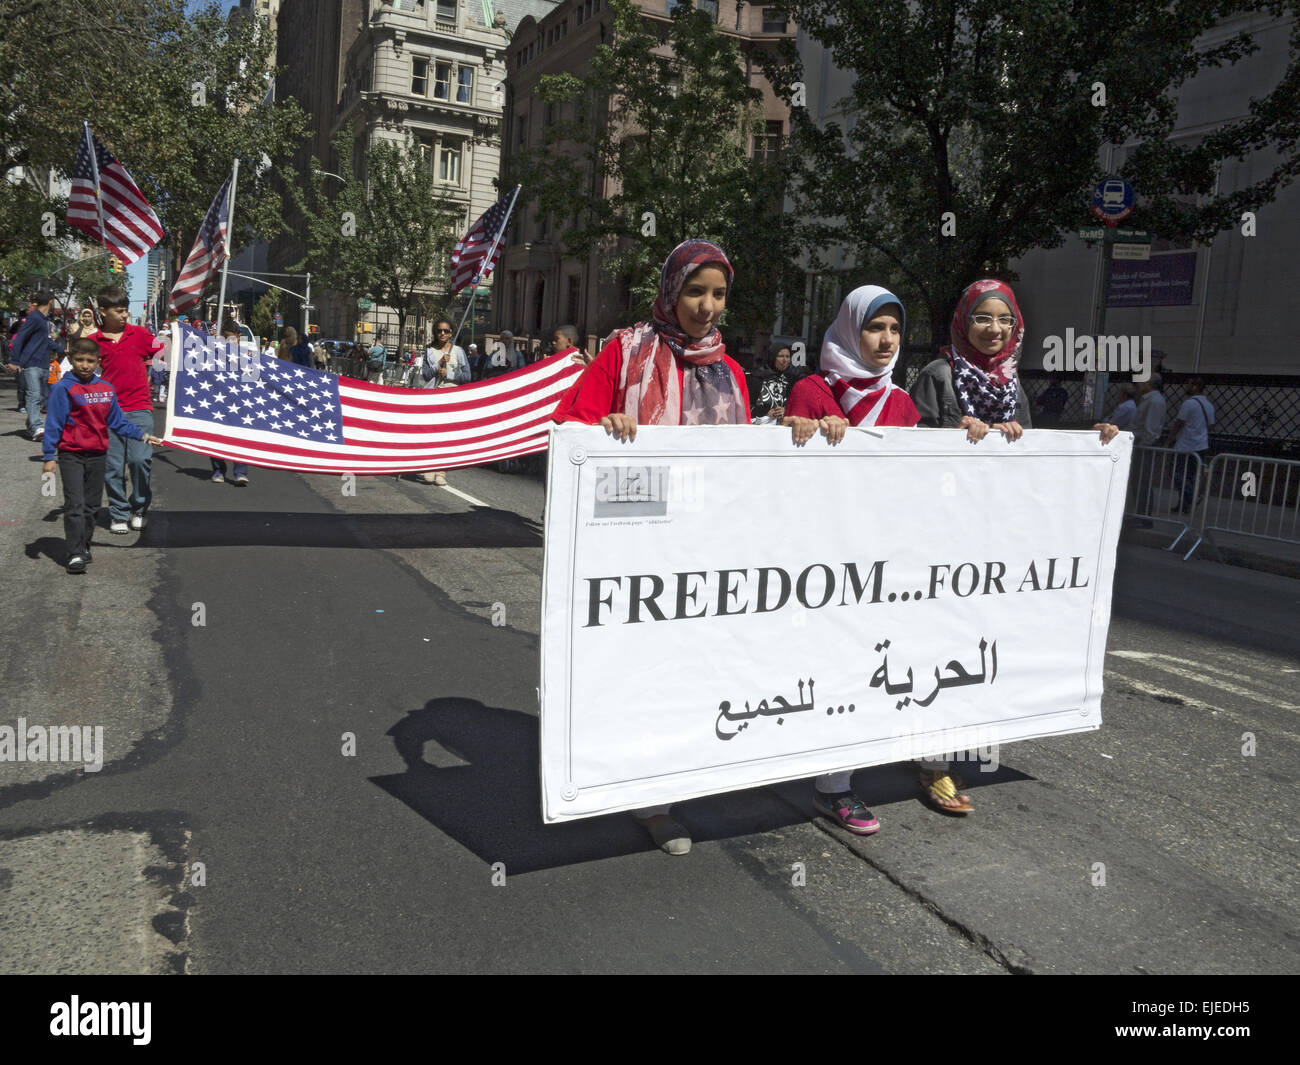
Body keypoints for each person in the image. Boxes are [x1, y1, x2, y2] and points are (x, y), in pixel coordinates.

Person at [552, 238, 754, 855]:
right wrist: (606, 425)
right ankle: (643, 792)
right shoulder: (625, 350)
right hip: (635, 541)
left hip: (703, 546)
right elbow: (570, 427)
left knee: (687, 665)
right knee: (637, 662)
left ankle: (665, 779)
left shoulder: (731, 371)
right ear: (671, 290)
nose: (707, 306)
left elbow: (746, 466)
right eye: (696, 291)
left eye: (718, 294)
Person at [909, 278, 1117, 813]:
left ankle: (944, 753)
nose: (994, 329)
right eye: (983, 318)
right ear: (963, 321)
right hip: (935, 538)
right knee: (936, 644)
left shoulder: (1011, 385)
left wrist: (1094, 441)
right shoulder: (938, 375)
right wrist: (955, 432)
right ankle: (933, 765)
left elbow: (1033, 451)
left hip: (990, 540)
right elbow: (905, 447)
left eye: (1004, 320)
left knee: (973, 640)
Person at [42, 338, 163, 572]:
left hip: (98, 455)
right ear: (71, 360)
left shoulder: (106, 389)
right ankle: (75, 553)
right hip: (71, 455)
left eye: (90, 360)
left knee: (91, 506)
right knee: (75, 504)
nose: (84, 365)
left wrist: (143, 436)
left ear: (98, 362)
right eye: (79, 360)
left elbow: (117, 421)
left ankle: (85, 545)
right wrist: (49, 457)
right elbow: (53, 424)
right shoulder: (62, 388)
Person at [91, 286, 161, 534]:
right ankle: (119, 512)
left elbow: (167, 352)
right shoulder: (92, 342)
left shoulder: (140, 334)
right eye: (119, 311)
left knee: (140, 460)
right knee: (112, 467)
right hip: (107, 413)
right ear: (103, 311)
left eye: (126, 311)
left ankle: (139, 507)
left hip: (139, 408)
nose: (124, 315)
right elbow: (80, 375)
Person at [411, 318, 470, 486]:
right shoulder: (429, 351)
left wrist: (449, 374)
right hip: (434, 395)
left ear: (452, 332)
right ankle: (430, 467)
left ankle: (441, 471)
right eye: (439, 331)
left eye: (446, 331)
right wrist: (438, 364)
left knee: (446, 434)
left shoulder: (459, 351)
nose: (442, 333)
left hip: (452, 396)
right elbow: (426, 375)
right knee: (432, 432)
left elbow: (467, 376)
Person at [7, 291, 64, 440]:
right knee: (33, 395)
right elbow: (20, 338)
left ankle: (30, 425)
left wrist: (63, 350)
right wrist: (14, 361)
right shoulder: (34, 318)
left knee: (39, 396)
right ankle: (37, 427)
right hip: (31, 363)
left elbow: (46, 340)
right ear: (51, 302)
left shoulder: (44, 320)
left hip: (44, 363)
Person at [210, 322, 251, 485]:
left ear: (239, 336)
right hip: (219, 399)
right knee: (216, 435)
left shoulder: (248, 354)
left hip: (239, 400)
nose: (228, 340)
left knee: (240, 436)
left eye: (231, 337)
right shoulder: (215, 353)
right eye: (225, 337)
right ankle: (218, 470)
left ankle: (240, 472)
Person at [1166, 376, 1214, 513]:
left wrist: (1169, 440)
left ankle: (1190, 497)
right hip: (1201, 445)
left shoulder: (1189, 404)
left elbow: (1178, 424)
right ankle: (1186, 503)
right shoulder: (1209, 405)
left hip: (1186, 445)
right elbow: (1211, 425)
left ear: (1194, 386)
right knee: (1191, 475)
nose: (1186, 387)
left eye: (1189, 384)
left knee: (1177, 473)